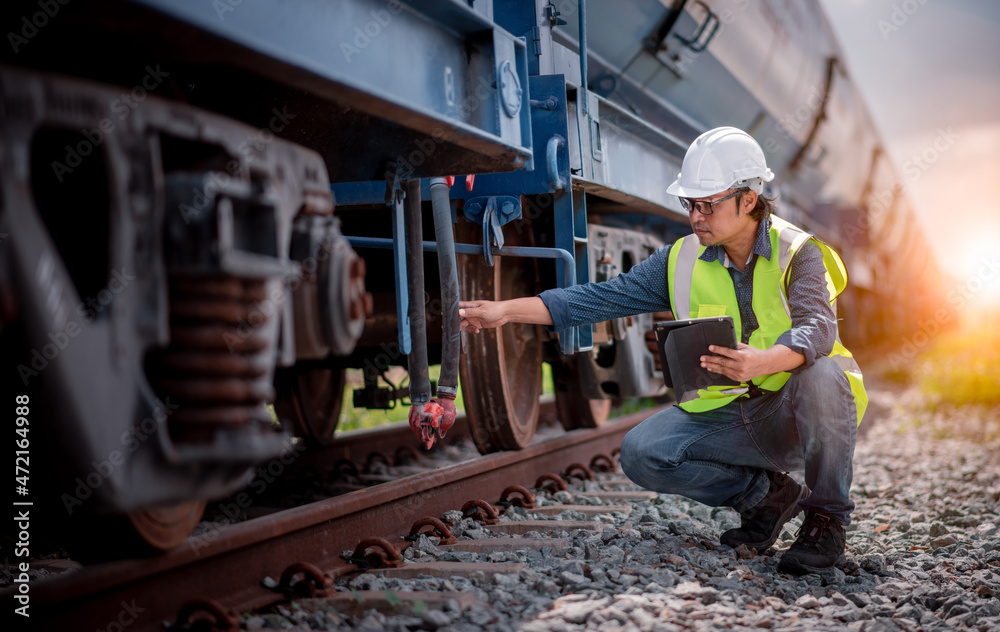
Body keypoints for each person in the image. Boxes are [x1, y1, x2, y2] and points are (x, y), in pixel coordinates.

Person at [458, 126, 868, 575]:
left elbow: (818, 327)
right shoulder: (680, 259)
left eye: (707, 204)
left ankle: (826, 521)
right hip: (737, 416)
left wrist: (763, 361)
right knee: (641, 451)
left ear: (748, 200)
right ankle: (767, 500)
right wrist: (506, 311)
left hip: (797, 416)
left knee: (824, 374)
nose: (695, 216)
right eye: (689, 204)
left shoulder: (799, 252)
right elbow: (599, 298)